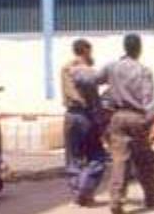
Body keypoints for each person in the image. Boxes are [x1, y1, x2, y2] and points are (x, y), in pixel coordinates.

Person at [76, 34, 154, 214]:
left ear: (125, 48)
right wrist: (151, 122)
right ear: (139, 49)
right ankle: (151, 196)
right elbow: (148, 98)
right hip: (138, 118)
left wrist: (79, 73)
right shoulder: (144, 70)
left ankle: (116, 201)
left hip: (117, 117)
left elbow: (90, 81)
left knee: (119, 160)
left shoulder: (111, 67)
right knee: (144, 160)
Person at [61, 39, 110, 206]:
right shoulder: (87, 71)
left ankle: (79, 193)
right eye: (91, 51)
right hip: (86, 116)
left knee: (73, 157)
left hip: (70, 116)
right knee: (97, 155)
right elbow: (95, 99)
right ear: (86, 51)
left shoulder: (65, 69)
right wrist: (101, 121)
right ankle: (85, 188)